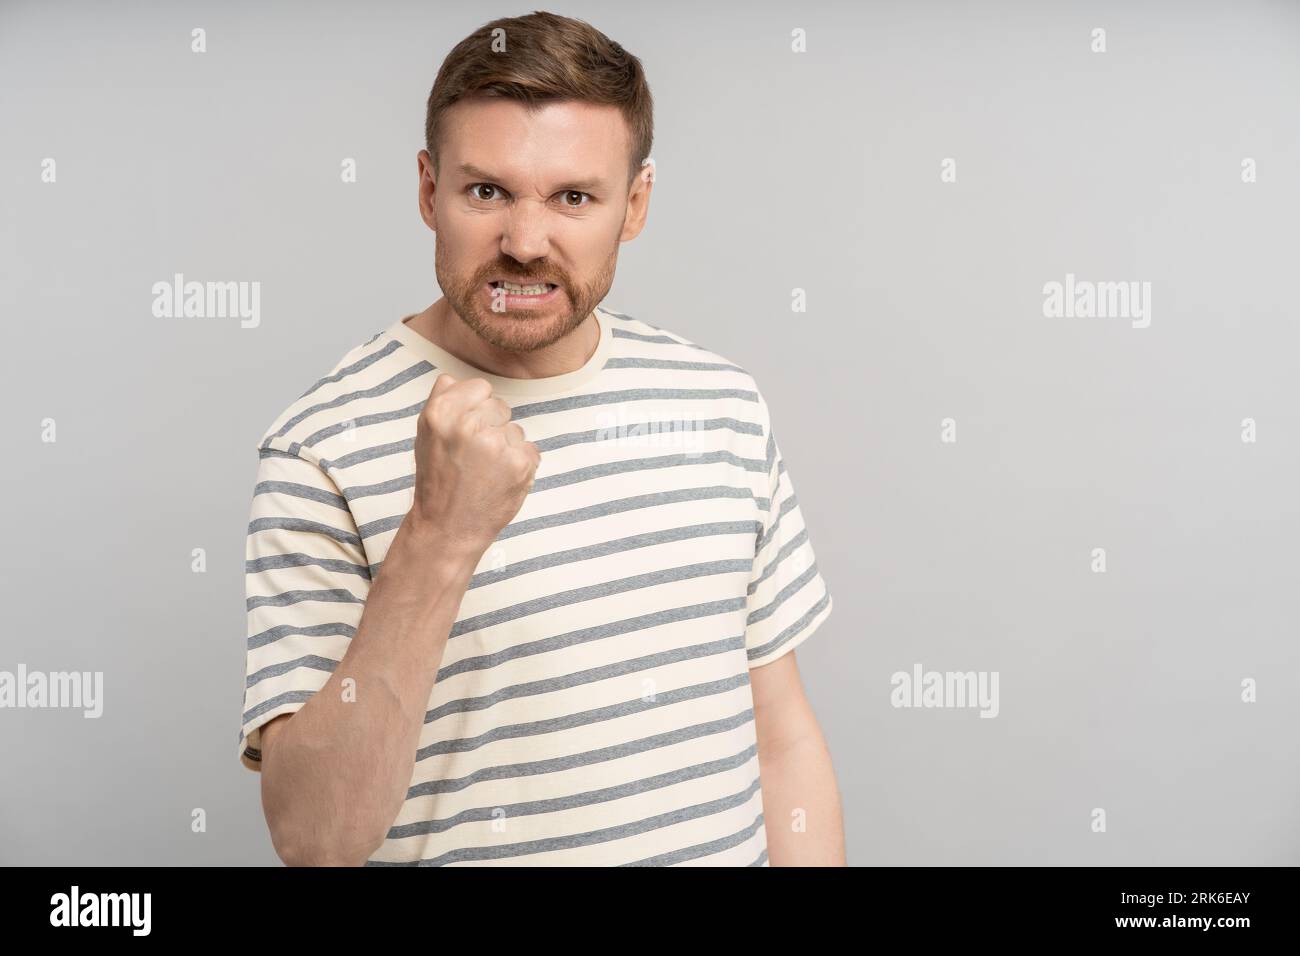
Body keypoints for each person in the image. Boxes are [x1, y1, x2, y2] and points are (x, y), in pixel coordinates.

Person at [237, 10, 842, 866]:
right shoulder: (320, 446)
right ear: (426, 190)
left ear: (634, 205)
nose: (525, 244)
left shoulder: (721, 402)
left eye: (573, 197)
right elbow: (315, 839)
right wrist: (438, 539)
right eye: (486, 191)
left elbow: (781, 741)